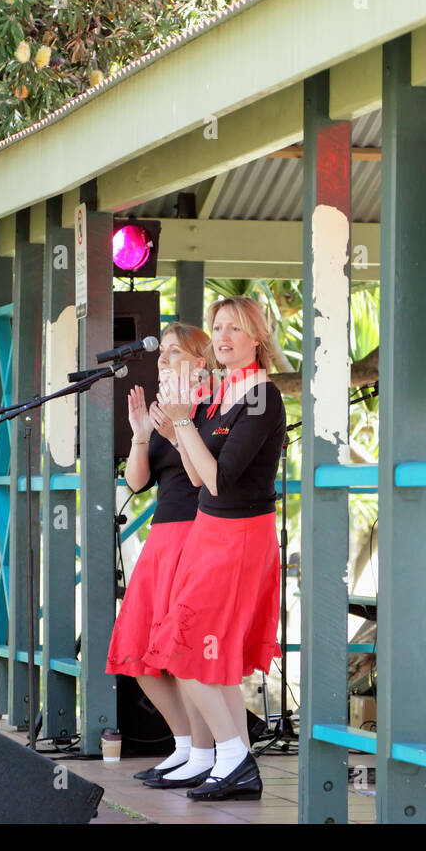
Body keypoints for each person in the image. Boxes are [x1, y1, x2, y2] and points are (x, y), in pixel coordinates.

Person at [143, 295, 285, 801]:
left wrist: (181, 423)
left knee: (181, 651)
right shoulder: (227, 391)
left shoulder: (262, 397)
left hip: (240, 536)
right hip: (209, 529)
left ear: (258, 338)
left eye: (235, 328)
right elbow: (198, 477)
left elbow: (220, 481)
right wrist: (169, 430)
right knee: (208, 655)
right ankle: (233, 764)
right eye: (218, 326)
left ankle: (234, 758)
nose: (223, 336)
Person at [104, 323, 216, 782]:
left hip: (199, 532)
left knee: (184, 648)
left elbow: (199, 476)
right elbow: (134, 481)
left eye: (174, 351)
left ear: (200, 362)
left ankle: (207, 753)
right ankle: (185, 744)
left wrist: (175, 429)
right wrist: (140, 433)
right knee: (136, 648)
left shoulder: (214, 407)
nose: (164, 359)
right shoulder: (161, 410)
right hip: (163, 534)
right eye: (162, 353)